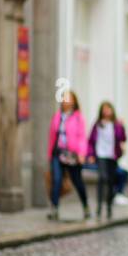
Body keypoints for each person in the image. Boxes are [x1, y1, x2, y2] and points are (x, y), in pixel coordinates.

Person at [48, 91, 91, 220]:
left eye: (68, 99)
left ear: (73, 101)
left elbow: (82, 137)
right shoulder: (57, 117)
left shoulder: (78, 117)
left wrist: (82, 154)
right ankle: (54, 208)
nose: (65, 101)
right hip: (58, 153)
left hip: (73, 155)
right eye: (64, 99)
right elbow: (51, 137)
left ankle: (85, 206)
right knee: (57, 180)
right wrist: (50, 155)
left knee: (77, 181)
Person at [88, 101, 127, 220]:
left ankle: (109, 206)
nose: (106, 112)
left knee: (110, 180)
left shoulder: (116, 124)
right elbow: (91, 140)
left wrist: (122, 126)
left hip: (112, 155)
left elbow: (123, 138)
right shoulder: (98, 124)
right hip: (100, 154)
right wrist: (90, 154)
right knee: (102, 178)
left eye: (108, 109)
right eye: (104, 109)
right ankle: (99, 206)